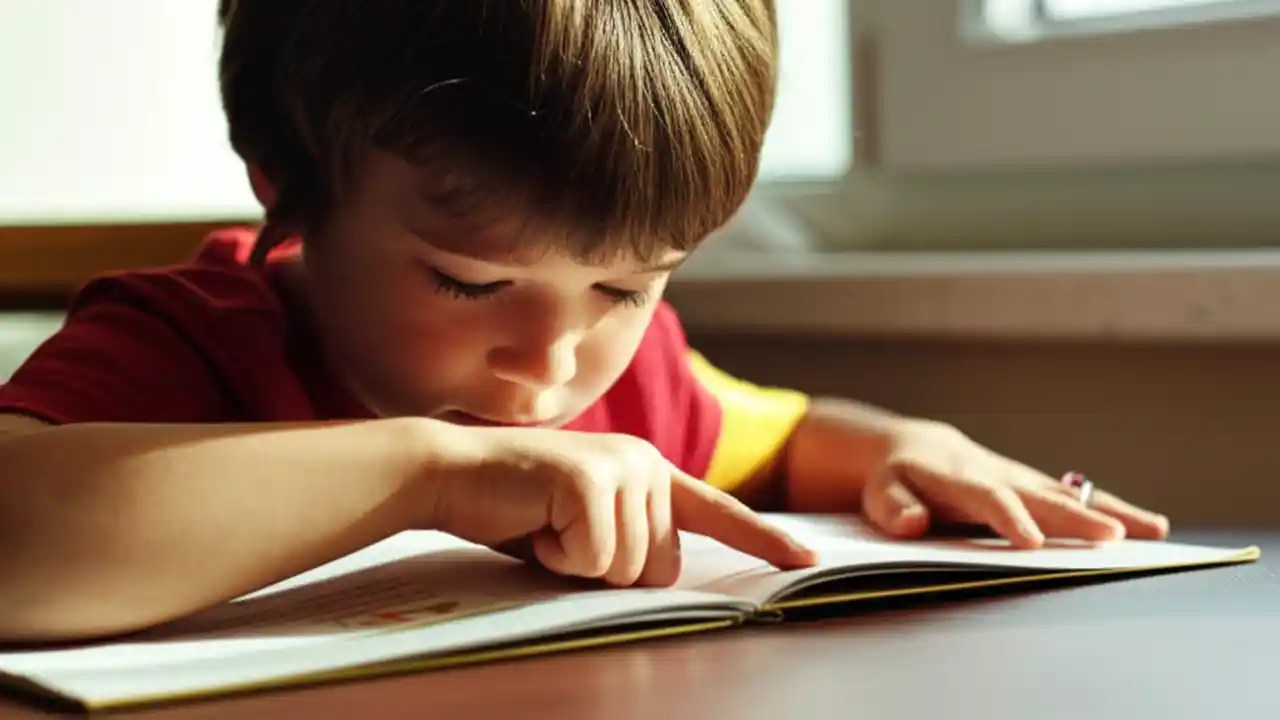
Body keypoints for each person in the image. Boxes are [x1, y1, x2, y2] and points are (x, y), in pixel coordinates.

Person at [0, 0, 1168, 643]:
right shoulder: (186, 341)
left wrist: (902, 443)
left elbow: (774, 431)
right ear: (283, 178)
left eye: (624, 288)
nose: (550, 367)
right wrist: (430, 471)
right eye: (466, 283)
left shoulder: (631, 378)